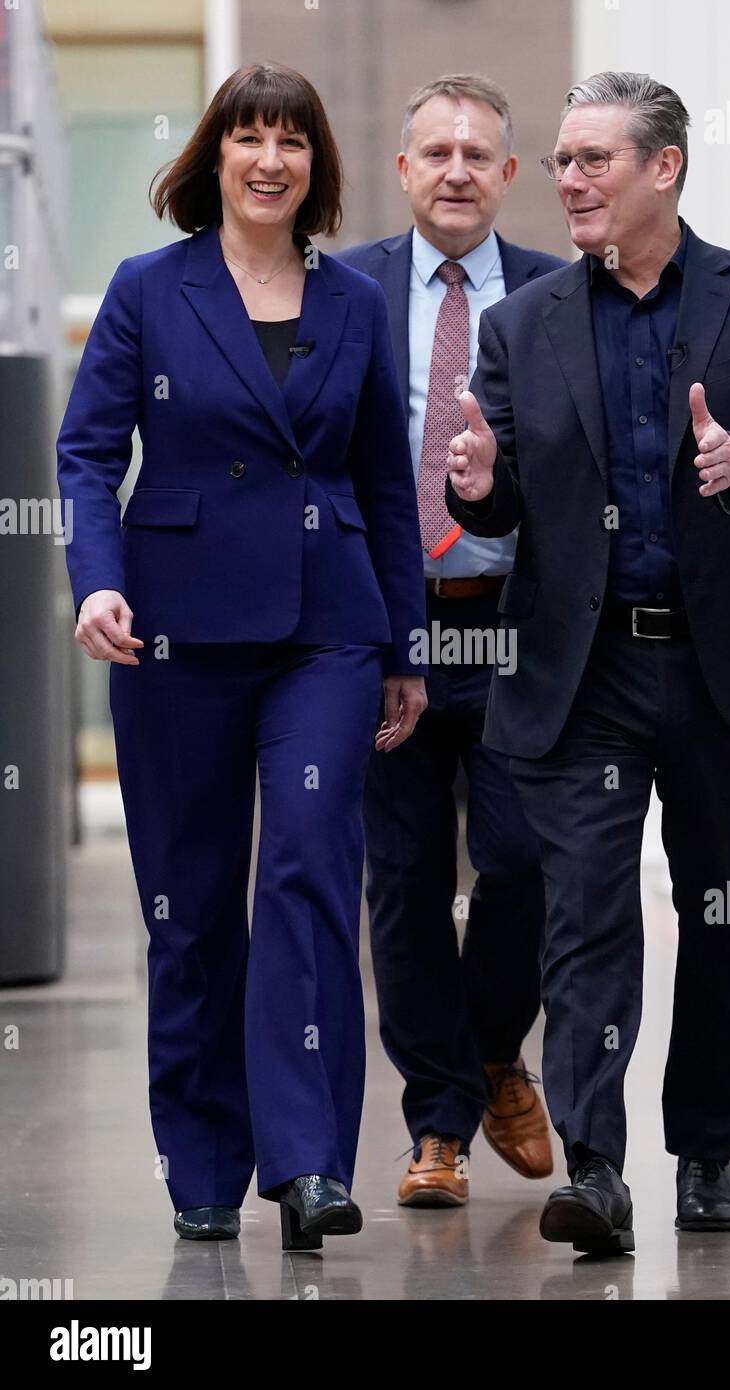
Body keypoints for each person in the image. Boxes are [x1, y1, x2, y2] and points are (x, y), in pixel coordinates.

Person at [446, 70, 730, 1254]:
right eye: (561, 163)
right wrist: (473, 486)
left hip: (723, 668)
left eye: (592, 160)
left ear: (662, 168)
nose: (568, 181)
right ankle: (595, 1167)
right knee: (585, 916)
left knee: (723, 909)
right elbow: (499, 486)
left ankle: (702, 1152)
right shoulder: (520, 323)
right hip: (580, 675)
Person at [56, 62, 427, 1250]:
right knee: (192, 903)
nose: (270, 159)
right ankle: (205, 1162)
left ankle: (309, 1161)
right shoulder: (145, 291)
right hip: (174, 630)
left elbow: (380, 478)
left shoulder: (354, 302)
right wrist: (98, 579)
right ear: (213, 155)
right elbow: (86, 453)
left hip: (326, 626)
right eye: (249, 137)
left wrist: (402, 646)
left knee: (309, 865)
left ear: (316, 167)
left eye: (293, 141)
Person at [336, 75, 565, 1206]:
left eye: (479, 154)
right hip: (391, 629)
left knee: (523, 863)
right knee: (405, 878)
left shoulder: (554, 295)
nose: (458, 170)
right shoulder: (347, 292)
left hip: (517, 628)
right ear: (403, 170)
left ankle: (488, 1050)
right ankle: (436, 1123)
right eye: (436, 152)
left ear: (508, 176)